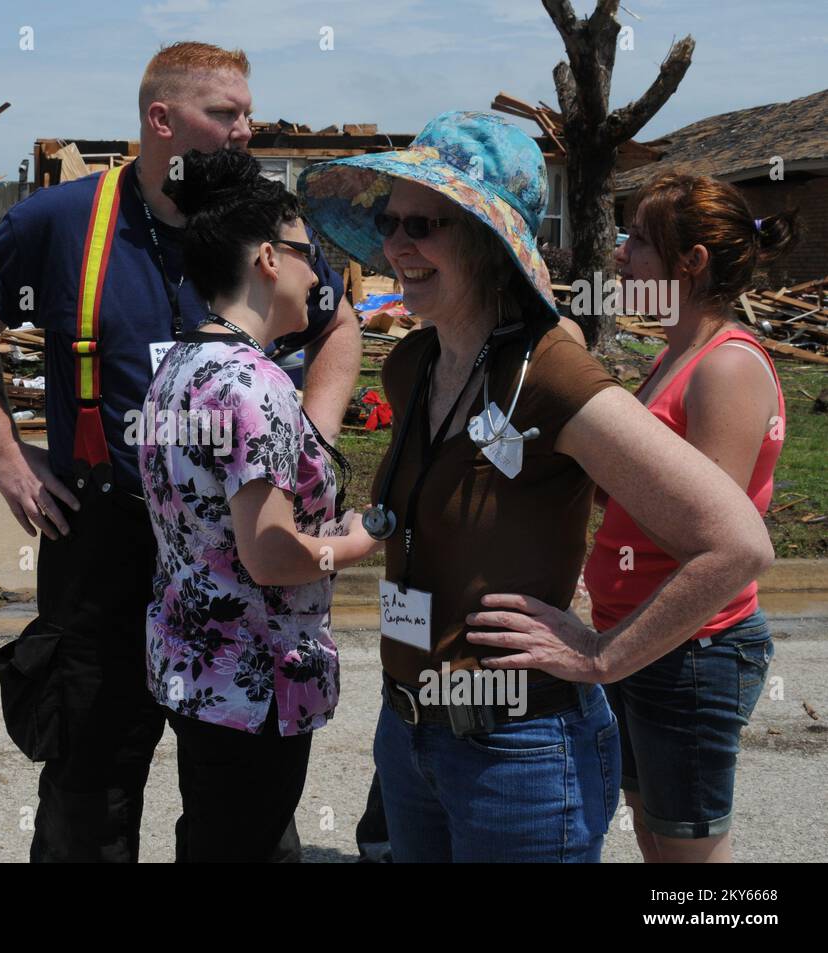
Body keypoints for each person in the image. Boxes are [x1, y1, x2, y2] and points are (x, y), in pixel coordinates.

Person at [298, 111, 773, 862]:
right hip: (409, 734)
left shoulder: (550, 369)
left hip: (518, 754)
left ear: (488, 241)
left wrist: (602, 657)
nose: (396, 245)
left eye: (423, 224)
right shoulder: (414, 366)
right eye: (389, 221)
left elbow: (737, 543)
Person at [0, 41, 360, 862]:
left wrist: (307, 441)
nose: (245, 130)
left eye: (248, 113)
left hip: (230, 551)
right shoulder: (61, 221)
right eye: (225, 113)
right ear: (160, 119)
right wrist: (6, 457)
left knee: (242, 813)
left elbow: (339, 322)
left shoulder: (258, 224)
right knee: (87, 792)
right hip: (102, 538)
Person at [139, 149, 383, 862]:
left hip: (197, 672)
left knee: (213, 837)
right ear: (270, 259)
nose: (320, 277)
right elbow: (270, 554)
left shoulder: (178, 365)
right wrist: (359, 540)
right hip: (254, 685)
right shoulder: (256, 384)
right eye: (309, 255)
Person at [585, 173, 799, 862]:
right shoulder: (675, 355)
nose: (620, 255)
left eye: (639, 241)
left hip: (695, 647)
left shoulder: (725, 367)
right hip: (647, 634)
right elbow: (641, 496)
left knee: (690, 858)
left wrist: (608, 458)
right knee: (655, 835)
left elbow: (706, 534)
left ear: (691, 261)